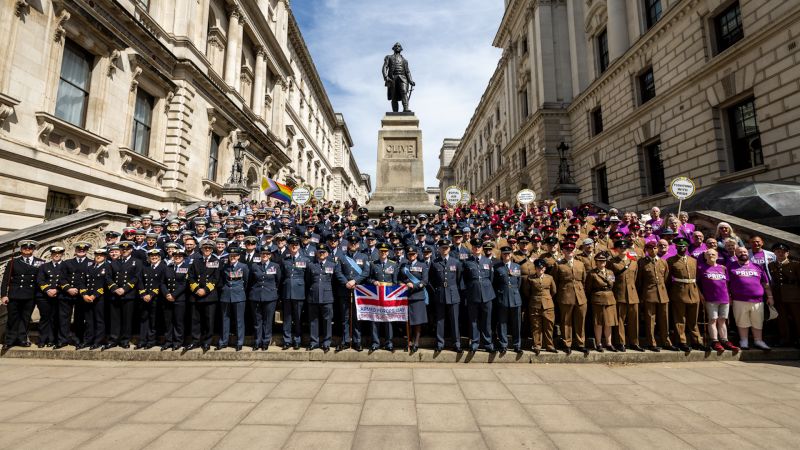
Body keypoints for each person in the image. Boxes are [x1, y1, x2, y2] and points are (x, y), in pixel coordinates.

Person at [729, 247, 774, 351]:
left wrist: (770, 296)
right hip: (738, 299)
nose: (743, 253)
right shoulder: (731, 267)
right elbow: (726, 284)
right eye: (740, 252)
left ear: (747, 253)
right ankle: (743, 340)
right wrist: (729, 296)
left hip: (757, 300)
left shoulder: (757, 266)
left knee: (757, 321)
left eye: (744, 252)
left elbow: (765, 283)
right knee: (742, 321)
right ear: (736, 254)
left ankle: (758, 341)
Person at [696, 248, 738, 353]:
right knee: (713, 319)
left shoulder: (723, 268)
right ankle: (715, 341)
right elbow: (695, 282)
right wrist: (700, 295)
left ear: (717, 255)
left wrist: (730, 296)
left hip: (724, 298)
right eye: (708, 254)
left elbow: (727, 283)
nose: (711, 256)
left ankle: (724, 340)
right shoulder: (701, 268)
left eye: (713, 254)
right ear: (705, 257)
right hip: (710, 298)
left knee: (723, 320)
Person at [667, 237, 704, 352]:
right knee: (680, 318)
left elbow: (697, 277)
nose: (682, 248)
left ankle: (697, 341)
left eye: (684, 246)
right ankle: (682, 341)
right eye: (679, 246)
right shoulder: (671, 261)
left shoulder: (693, 260)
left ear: (687, 247)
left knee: (693, 319)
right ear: (676, 247)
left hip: (693, 290)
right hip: (679, 290)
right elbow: (668, 279)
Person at [335, 235, 371, 351]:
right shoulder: (341, 257)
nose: (353, 244)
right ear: (348, 244)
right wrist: (346, 282)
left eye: (355, 243)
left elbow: (366, 273)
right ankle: (345, 341)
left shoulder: (364, 257)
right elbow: (338, 272)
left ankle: (357, 341)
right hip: (344, 290)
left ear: (358, 244)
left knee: (357, 317)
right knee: (345, 318)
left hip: (359, 291)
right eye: (351, 243)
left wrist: (354, 281)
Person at [552, 241, 588, 355]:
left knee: (580, 320)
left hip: (580, 296)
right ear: (563, 251)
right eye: (567, 250)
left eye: (571, 249)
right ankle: (567, 343)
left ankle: (581, 343)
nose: (569, 251)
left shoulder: (580, 264)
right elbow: (554, 282)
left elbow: (584, 280)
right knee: (566, 321)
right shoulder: (558, 264)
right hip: (565, 295)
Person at [637, 241, 674, 352]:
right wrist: (642, 294)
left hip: (662, 294)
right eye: (649, 248)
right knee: (650, 320)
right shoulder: (642, 262)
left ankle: (666, 341)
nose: (652, 250)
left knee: (664, 320)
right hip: (649, 293)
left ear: (657, 249)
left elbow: (666, 278)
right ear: (646, 250)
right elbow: (639, 280)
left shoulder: (663, 262)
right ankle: (651, 342)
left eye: (654, 248)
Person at [106, 241, 141, 349]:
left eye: (127, 249)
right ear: (120, 250)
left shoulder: (137, 262)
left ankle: (125, 340)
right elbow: (108, 277)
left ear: (131, 250)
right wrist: (115, 289)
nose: (124, 251)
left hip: (128, 295)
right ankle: (113, 339)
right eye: (122, 250)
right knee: (115, 319)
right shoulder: (113, 262)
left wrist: (124, 289)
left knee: (127, 319)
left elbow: (136, 278)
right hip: (115, 294)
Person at [429, 240, 463, 352]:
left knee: (455, 320)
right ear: (438, 249)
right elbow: (431, 280)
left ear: (449, 249)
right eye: (442, 248)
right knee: (440, 320)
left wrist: (453, 289)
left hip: (453, 294)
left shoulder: (456, 262)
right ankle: (440, 343)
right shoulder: (434, 263)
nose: (444, 249)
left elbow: (458, 279)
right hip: (440, 294)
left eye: (446, 248)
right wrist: (437, 291)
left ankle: (457, 343)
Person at [186, 240, 221, 352]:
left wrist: (205, 290)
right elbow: (190, 276)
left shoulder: (216, 261)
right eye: (205, 248)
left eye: (209, 248)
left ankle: (207, 342)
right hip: (196, 295)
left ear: (212, 249)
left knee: (209, 320)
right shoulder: (195, 260)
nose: (207, 250)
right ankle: (195, 341)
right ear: (201, 249)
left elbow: (216, 278)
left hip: (209, 295)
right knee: (195, 320)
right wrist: (197, 289)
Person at [463, 242, 496, 353]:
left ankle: (487, 343)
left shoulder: (488, 261)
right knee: (474, 320)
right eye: (475, 247)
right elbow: (466, 279)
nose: (477, 248)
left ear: (482, 248)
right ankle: (475, 342)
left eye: (479, 247)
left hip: (487, 294)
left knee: (487, 320)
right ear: (472, 248)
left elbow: (491, 278)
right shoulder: (467, 262)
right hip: (473, 294)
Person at [609, 240, 642, 352]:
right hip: (619, 293)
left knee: (634, 320)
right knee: (620, 319)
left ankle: (634, 342)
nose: (623, 249)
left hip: (632, 294)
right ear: (616, 249)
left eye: (625, 247)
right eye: (620, 247)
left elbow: (636, 278)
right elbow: (610, 278)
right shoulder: (612, 262)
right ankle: (620, 342)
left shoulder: (633, 262)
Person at [58, 242, 92, 348]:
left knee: (79, 318)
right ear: (75, 250)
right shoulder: (67, 263)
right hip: (67, 294)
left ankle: (79, 339)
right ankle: (63, 339)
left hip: (82, 295)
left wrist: (83, 291)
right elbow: (60, 278)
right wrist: (68, 288)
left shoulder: (91, 263)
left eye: (84, 249)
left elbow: (91, 280)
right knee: (64, 318)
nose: (81, 251)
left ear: (87, 250)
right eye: (79, 249)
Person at [367, 242, 399, 351]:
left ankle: (389, 343)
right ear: (378, 252)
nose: (383, 253)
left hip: (388, 296)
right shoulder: (373, 264)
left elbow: (395, 281)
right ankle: (375, 343)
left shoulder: (393, 264)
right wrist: (374, 281)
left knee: (388, 319)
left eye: (385, 251)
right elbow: (369, 278)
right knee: (375, 318)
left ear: (388, 252)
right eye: (381, 251)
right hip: (376, 296)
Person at [306, 246, 338, 351]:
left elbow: (334, 282)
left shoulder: (332, 265)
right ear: (316, 253)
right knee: (313, 320)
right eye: (320, 252)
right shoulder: (311, 265)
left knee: (327, 320)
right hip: (313, 296)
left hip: (327, 297)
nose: (322, 254)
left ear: (327, 254)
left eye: (324, 252)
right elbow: (308, 281)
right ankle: (314, 342)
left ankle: (327, 342)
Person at [249, 247, 282, 351]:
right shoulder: (254, 266)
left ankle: (266, 341)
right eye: (263, 253)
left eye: (267, 254)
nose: (264, 255)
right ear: (260, 255)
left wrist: (273, 291)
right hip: (256, 296)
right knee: (257, 320)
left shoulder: (275, 266)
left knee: (268, 320)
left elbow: (278, 280)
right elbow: (250, 280)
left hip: (270, 296)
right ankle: (257, 341)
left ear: (270, 255)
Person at [521, 258, 557, 354]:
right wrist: (535, 298)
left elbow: (554, 291)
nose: (540, 269)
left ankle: (550, 345)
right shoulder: (530, 278)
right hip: (535, 305)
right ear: (535, 268)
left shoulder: (550, 278)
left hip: (548, 306)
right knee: (536, 326)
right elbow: (526, 291)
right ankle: (537, 345)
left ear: (545, 268)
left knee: (549, 326)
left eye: (542, 268)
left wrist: (547, 298)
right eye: (538, 268)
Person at [280, 237, 309, 350]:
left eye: (296, 244)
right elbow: (281, 277)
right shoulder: (285, 260)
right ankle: (287, 340)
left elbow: (307, 278)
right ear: (288, 246)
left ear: (299, 246)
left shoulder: (305, 260)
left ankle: (297, 340)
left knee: (298, 317)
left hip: (299, 292)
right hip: (287, 292)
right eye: (292, 244)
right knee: (287, 318)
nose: (294, 246)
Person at [768, 243, 800, 346]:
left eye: (783, 252)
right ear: (774, 253)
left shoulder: (795, 264)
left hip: (794, 296)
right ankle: (785, 340)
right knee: (782, 319)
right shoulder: (771, 265)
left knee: (797, 318)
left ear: (788, 253)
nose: (780, 254)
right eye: (778, 252)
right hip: (779, 296)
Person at [585, 252, 617, 352]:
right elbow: (588, 288)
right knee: (598, 322)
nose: (602, 262)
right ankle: (598, 343)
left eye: (603, 261)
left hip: (610, 299)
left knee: (609, 322)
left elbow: (612, 284)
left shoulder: (610, 272)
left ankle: (608, 343)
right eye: (599, 261)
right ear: (596, 262)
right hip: (598, 299)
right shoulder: (592, 273)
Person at [78, 248, 109, 350]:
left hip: (99, 298)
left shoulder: (107, 267)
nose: (98, 257)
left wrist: (94, 295)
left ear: (104, 257)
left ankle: (98, 341)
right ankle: (88, 340)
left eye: (101, 255)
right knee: (89, 320)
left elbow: (105, 284)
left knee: (99, 320)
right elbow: (82, 282)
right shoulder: (89, 267)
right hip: (87, 298)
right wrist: (84, 294)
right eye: (97, 255)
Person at [399, 246, 428, 352]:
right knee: (408, 321)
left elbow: (425, 281)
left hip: (418, 296)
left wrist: (414, 286)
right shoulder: (403, 265)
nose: (411, 256)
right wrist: (403, 284)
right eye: (409, 254)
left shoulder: (423, 265)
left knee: (417, 321)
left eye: (413, 254)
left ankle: (416, 342)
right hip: (405, 296)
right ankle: (409, 341)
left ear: (416, 255)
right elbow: (399, 278)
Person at [218, 247, 248, 351]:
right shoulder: (224, 267)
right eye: (231, 256)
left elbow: (246, 281)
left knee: (239, 320)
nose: (233, 257)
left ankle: (239, 342)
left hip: (239, 295)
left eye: (235, 256)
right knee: (224, 319)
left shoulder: (243, 266)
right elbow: (222, 279)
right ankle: (223, 341)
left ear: (239, 256)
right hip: (226, 295)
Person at [493, 246, 522, 354]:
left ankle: (517, 345)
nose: (507, 255)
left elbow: (519, 283)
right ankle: (503, 344)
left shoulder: (517, 267)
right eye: (504, 254)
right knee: (502, 322)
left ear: (511, 254)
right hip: (502, 297)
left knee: (516, 323)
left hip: (515, 298)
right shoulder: (497, 267)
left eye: (508, 254)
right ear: (501, 255)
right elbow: (494, 283)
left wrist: (513, 291)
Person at [35, 245, 65, 348]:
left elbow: (68, 280)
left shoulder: (66, 266)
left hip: (59, 295)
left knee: (55, 318)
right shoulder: (44, 266)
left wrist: (57, 289)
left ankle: (52, 340)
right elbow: (40, 280)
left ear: (62, 255)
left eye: (59, 254)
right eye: (54, 254)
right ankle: (42, 340)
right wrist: (47, 290)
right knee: (44, 318)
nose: (56, 255)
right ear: (51, 255)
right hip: (44, 296)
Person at [137, 249, 167, 349]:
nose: (154, 257)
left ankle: (151, 340)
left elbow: (162, 283)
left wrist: (151, 294)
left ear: (159, 257)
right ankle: (142, 340)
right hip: (144, 298)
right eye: (151, 256)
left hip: (156, 298)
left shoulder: (163, 267)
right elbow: (140, 280)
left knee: (154, 320)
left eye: (156, 256)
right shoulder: (145, 267)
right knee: (143, 319)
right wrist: (143, 294)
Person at [163, 248, 190, 350]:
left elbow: (184, 284)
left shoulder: (186, 267)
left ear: (183, 258)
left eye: (180, 256)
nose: (177, 258)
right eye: (175, 256)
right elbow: (162, 282)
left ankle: (178, 341)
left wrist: (173, 295)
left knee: (179, 321)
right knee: (168, 321)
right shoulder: (168, 267)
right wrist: (167, 294)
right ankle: (168, 341)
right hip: (167, 298)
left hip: (179, 298)